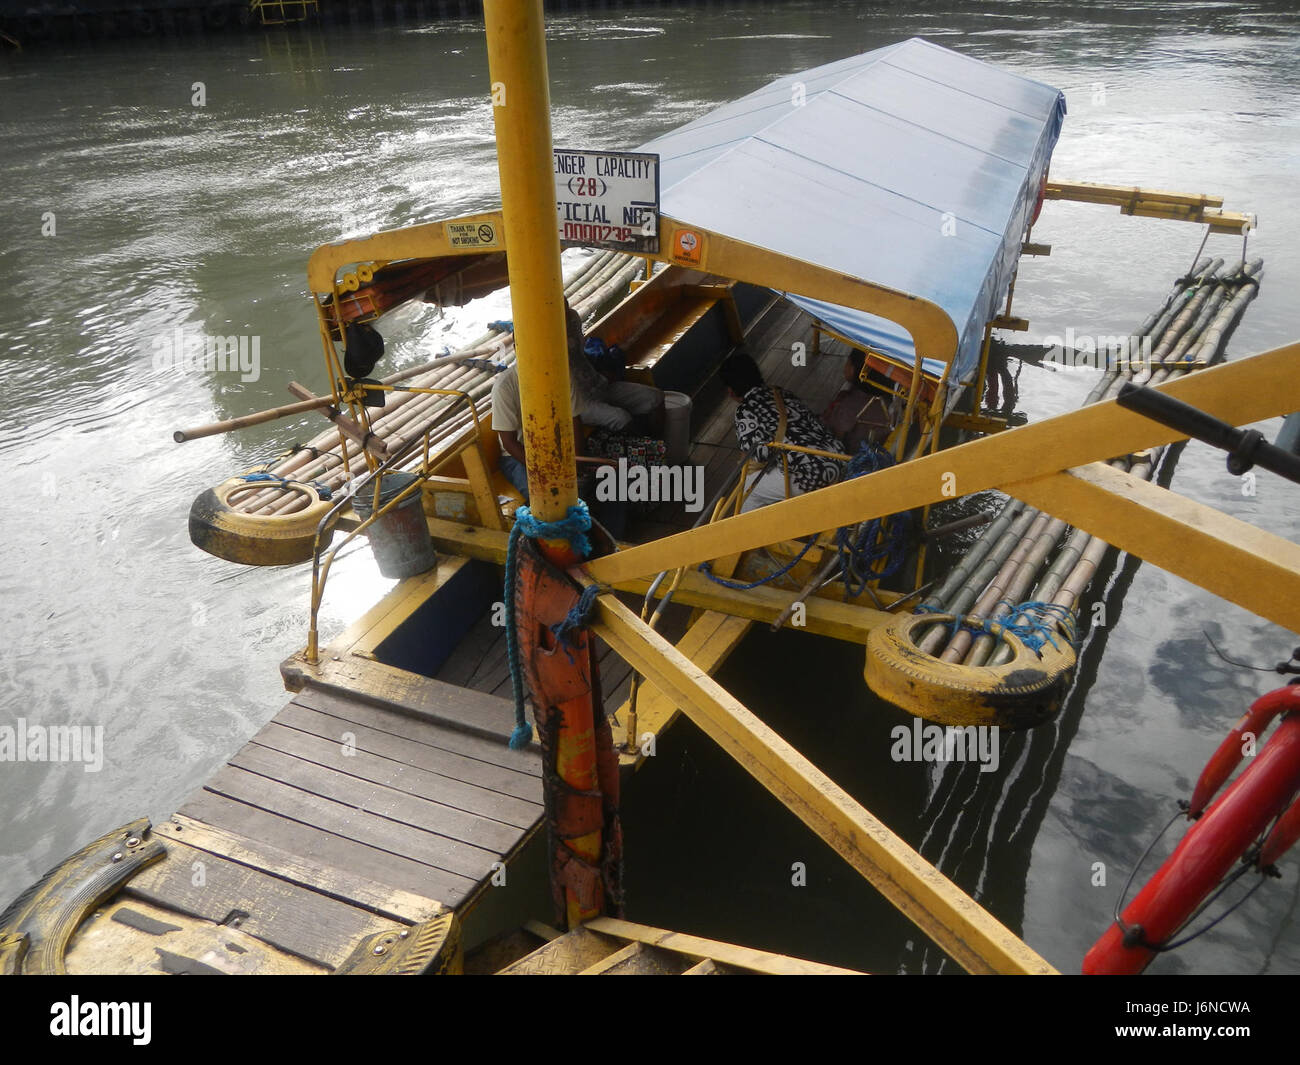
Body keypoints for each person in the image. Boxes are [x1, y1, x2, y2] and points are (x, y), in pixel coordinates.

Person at [718, 351, 846, 513]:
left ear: (730, 390)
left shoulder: (745, 411)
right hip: (838, 458)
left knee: (750, 488)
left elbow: (759, 454)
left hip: (815, 473)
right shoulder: (781, 392)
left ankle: (750, 534)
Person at [822, 348, 895, 455]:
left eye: (848, 361)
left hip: (853, 454)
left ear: (853, 370)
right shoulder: (889, 400)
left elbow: (836, 435)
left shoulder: (851, 405)